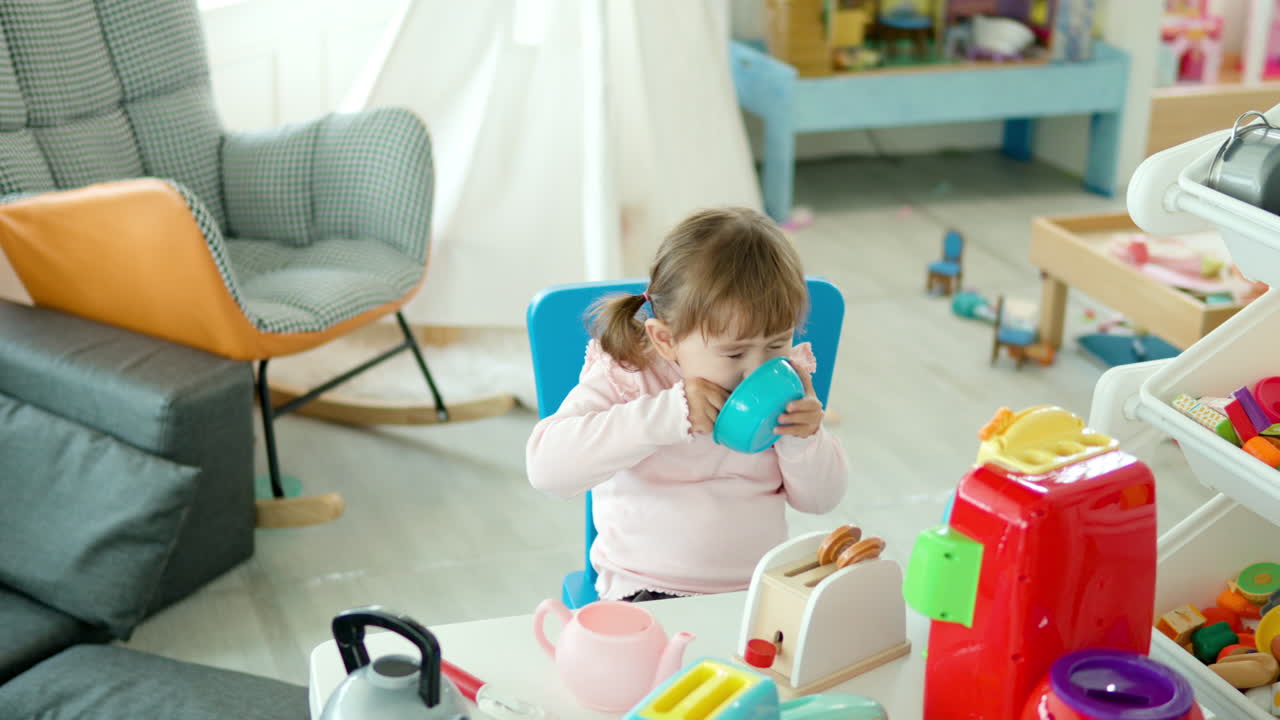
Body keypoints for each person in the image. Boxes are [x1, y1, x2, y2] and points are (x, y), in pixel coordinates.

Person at [526, 207, 848, 602]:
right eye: (733, 355)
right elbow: (548, 470)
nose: (756, 371)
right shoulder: (631, 376)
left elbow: (822, 499)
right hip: (647, 591)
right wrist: (666, 415)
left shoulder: (790, 380)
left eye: (776, 343)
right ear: (667, 340)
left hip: (757, 593)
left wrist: (804, 439)